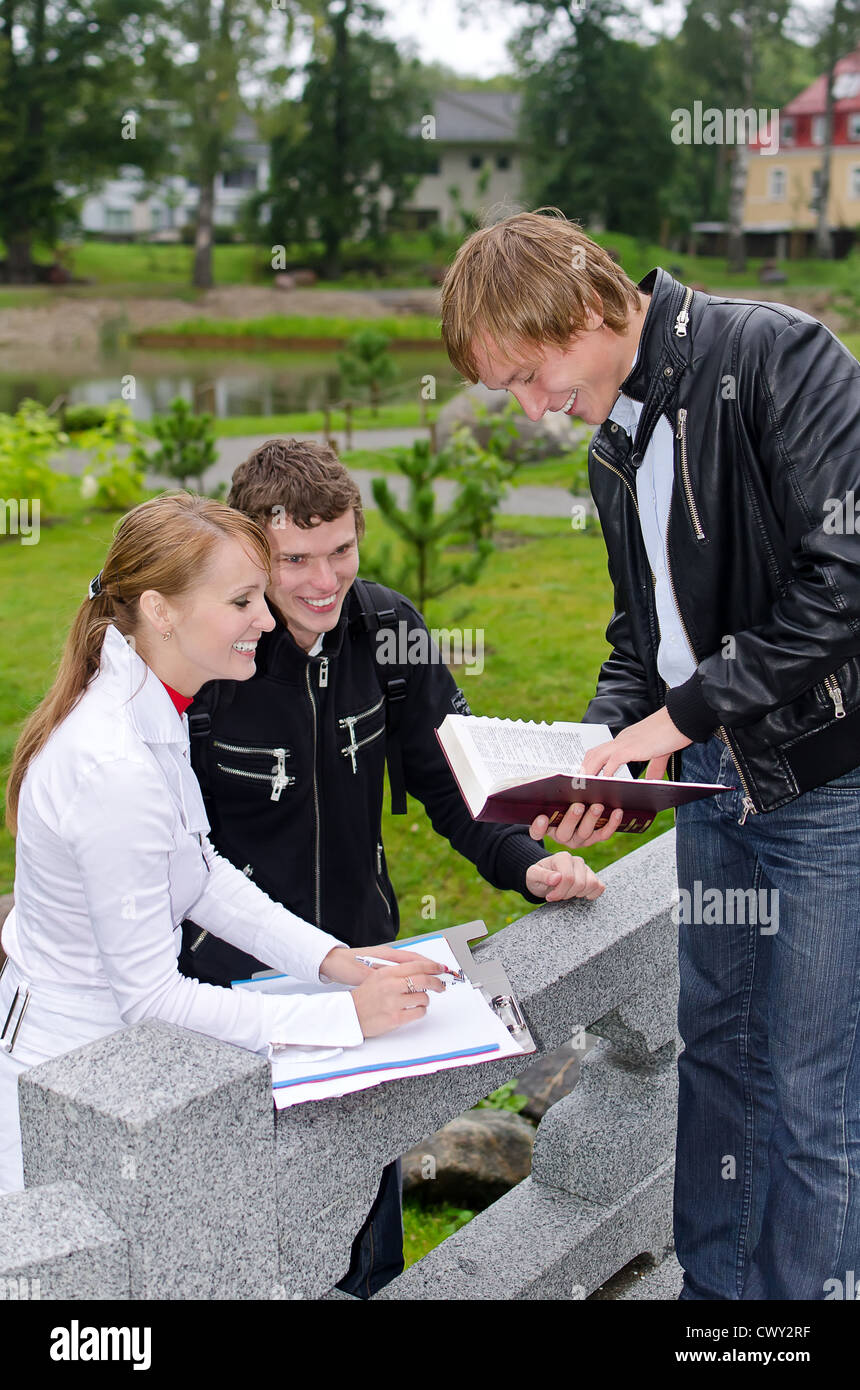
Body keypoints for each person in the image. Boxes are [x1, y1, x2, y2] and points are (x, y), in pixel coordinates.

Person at [439, 208, 860, 1301]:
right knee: (716, 1060)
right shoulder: (615, 442)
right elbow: (642, 643)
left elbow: (842, 584)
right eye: (508, 393)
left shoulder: (776, 355)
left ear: (584, 308)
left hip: (825, 786)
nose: (532, 410)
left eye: (529, 375)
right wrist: (597, 756)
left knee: (811, 1088)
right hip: (715, 789)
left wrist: (675, 719)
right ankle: (713, 1300)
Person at [178, 437, 606, 1296]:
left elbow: (455, 789)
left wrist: (529, 866)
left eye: (340, 550)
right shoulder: (209, 655)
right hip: (225, 994)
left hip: (365, 974)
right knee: (242, 1243)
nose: (323, 581)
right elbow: (174, 854)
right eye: (293, 559)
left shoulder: (389, 630)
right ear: (247, 552)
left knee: (367, 1246)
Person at [0, 492, 445, 1198]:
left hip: (112, 1068)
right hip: (72, 1085)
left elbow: (201, 873)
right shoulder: (116, 766)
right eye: (243, 602)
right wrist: (339, 1020)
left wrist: (335, 962)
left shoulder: (152, 698)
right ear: (160, 610)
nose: (267, 620)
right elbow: (151, 996)